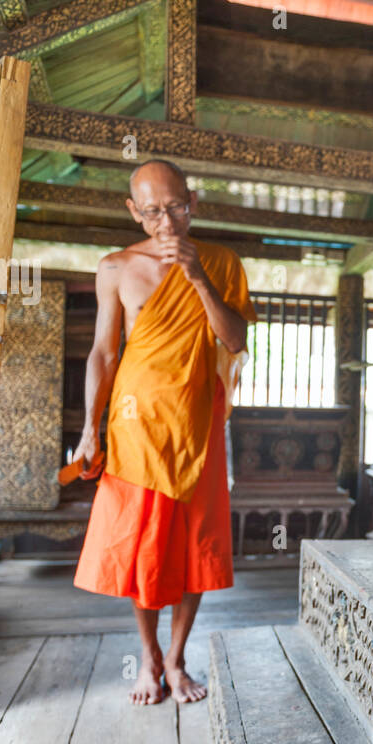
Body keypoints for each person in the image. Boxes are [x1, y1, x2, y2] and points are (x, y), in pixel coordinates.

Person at [72, 160, 257, 705]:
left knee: (196, 543)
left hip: (196, 421)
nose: (167, 221)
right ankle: (149, 657)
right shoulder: (115, 267)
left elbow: (235, 340)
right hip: (135, 424)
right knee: (144, 546)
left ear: (192, 201)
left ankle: (176, 660)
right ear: (134, 211)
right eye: (152, 211)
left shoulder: (221, 262)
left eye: (176, 207)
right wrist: (89, 429)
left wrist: (198, 277)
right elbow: (104, 353)